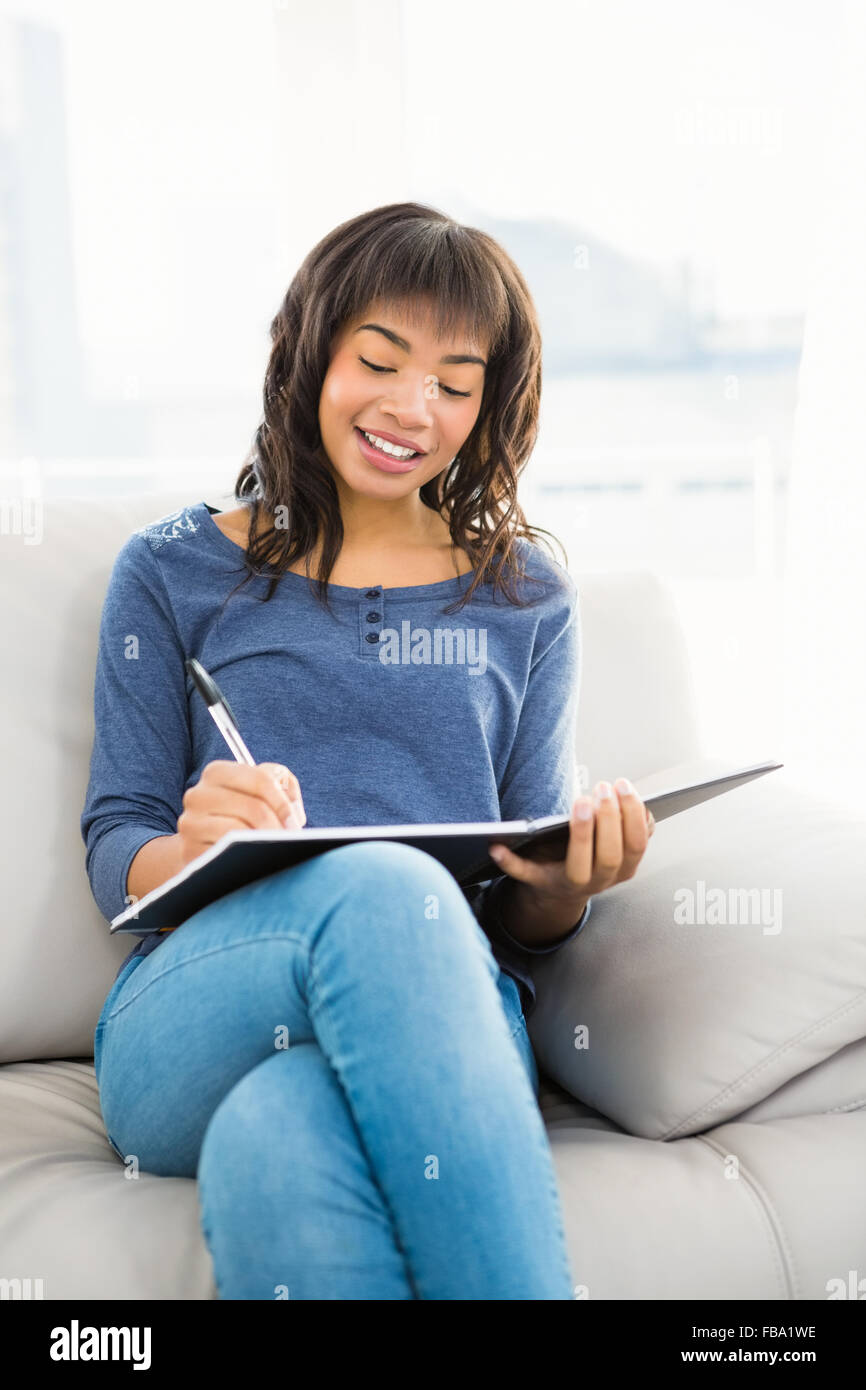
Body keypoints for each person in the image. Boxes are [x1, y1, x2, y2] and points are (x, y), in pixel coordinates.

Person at [82, 202, 653, 1300]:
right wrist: (193, 845)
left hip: (434, 1020)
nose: (411, 407)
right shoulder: (167, 570)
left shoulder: (525, 597)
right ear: (311, 355)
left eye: (453, 381)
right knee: (385, 885)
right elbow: (117, 846)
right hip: (194, 1011)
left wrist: (569, 885)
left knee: (277, 1135)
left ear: (489, 404)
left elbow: (516, 896)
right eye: (379, 361)